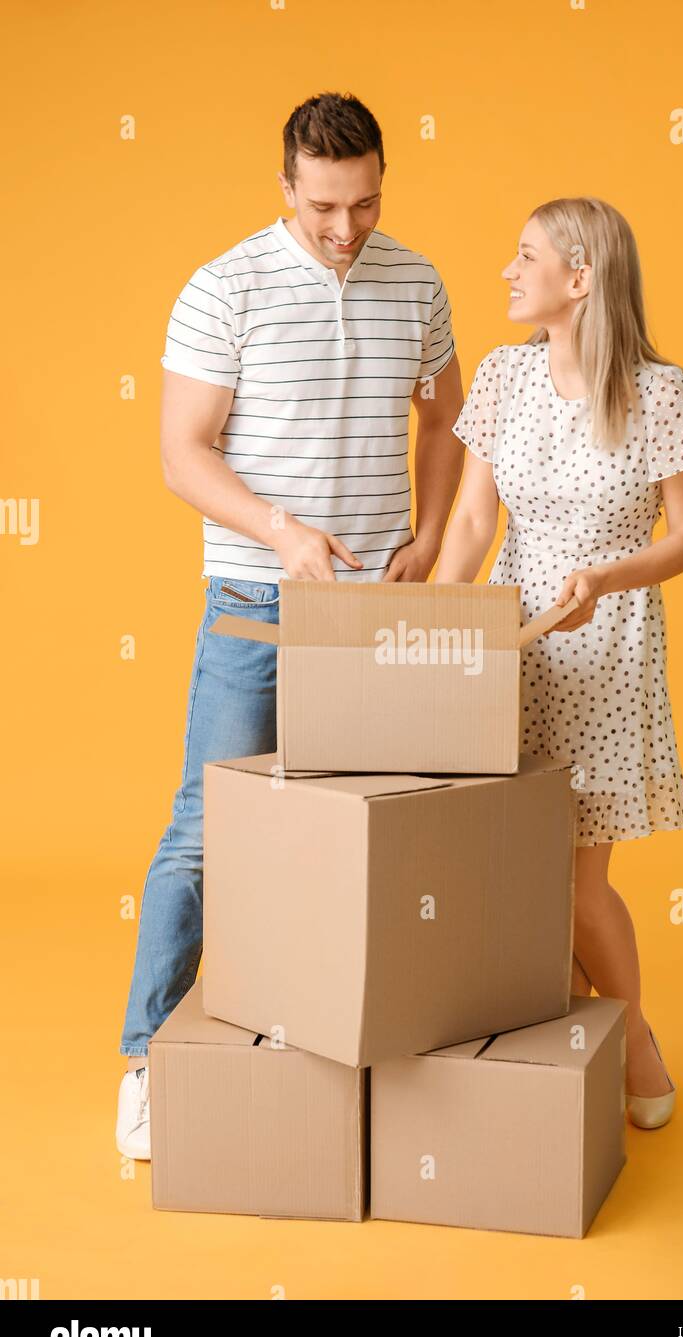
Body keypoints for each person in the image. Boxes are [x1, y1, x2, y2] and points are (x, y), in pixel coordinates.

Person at [116, 91, 464, 1159]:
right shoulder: (224, 288)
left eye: (363, 203)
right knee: (207, 831)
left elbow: (446, 415)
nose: (344, 228)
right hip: (257, 604)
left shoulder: (417, 279)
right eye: (323, 206)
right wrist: (283, 533)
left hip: (375, 610)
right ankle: (143, 1062)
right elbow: (185, 454)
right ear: (286, 188)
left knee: (372, 836)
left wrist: (431, 532)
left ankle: (353, 1056)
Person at [434, 196, 683, 1130]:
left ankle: (632, 1038)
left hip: (605, 642)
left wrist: (604, 578)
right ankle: (565, 1051)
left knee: (578, 883)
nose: (507, 272)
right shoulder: (506, 378)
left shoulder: (659, 393)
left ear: (581, 277)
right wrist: (430, 625)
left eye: (525, 256)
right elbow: (476, 520)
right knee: (510, 869)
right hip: (512, 642)